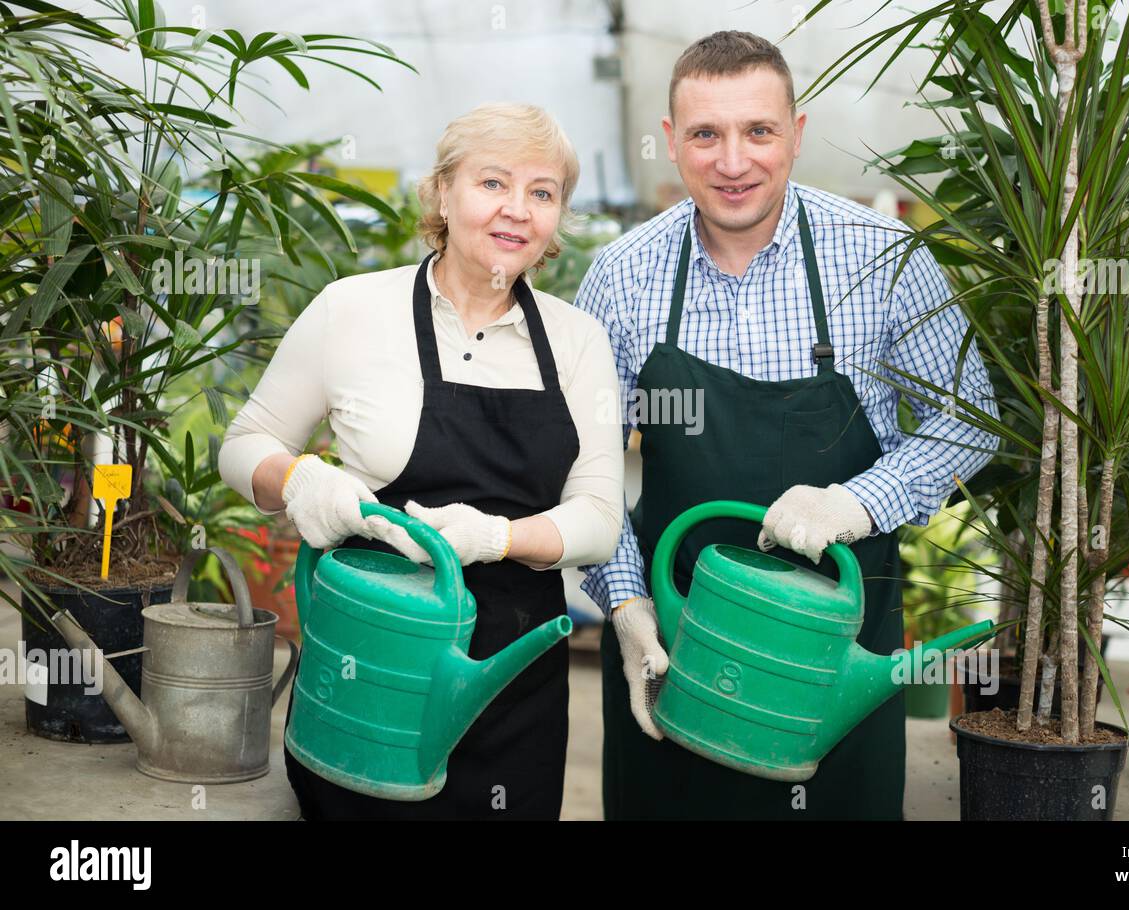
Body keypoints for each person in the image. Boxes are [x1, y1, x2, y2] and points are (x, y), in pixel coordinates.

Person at [573, 31, 1000, 820]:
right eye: (706, 134)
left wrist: (862, 501)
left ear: (796, 133)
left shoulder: (885, 256)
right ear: (671, 142)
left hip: (838, 660)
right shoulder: (622, 276)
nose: (733, 162)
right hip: (680, 655)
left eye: (758, 132)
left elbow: (968, 423)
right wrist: (630, 612)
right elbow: (585, 470)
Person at [218, 102, 624, 820]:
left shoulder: (578, 342)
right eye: (492, 183)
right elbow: (245, 444)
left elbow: (598, 522)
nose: (517, 210)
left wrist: (494, 537)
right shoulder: (352, 311)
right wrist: (302, 480)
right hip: (369, 665)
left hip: (510, 685)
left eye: (542, 192)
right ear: (442, 192)